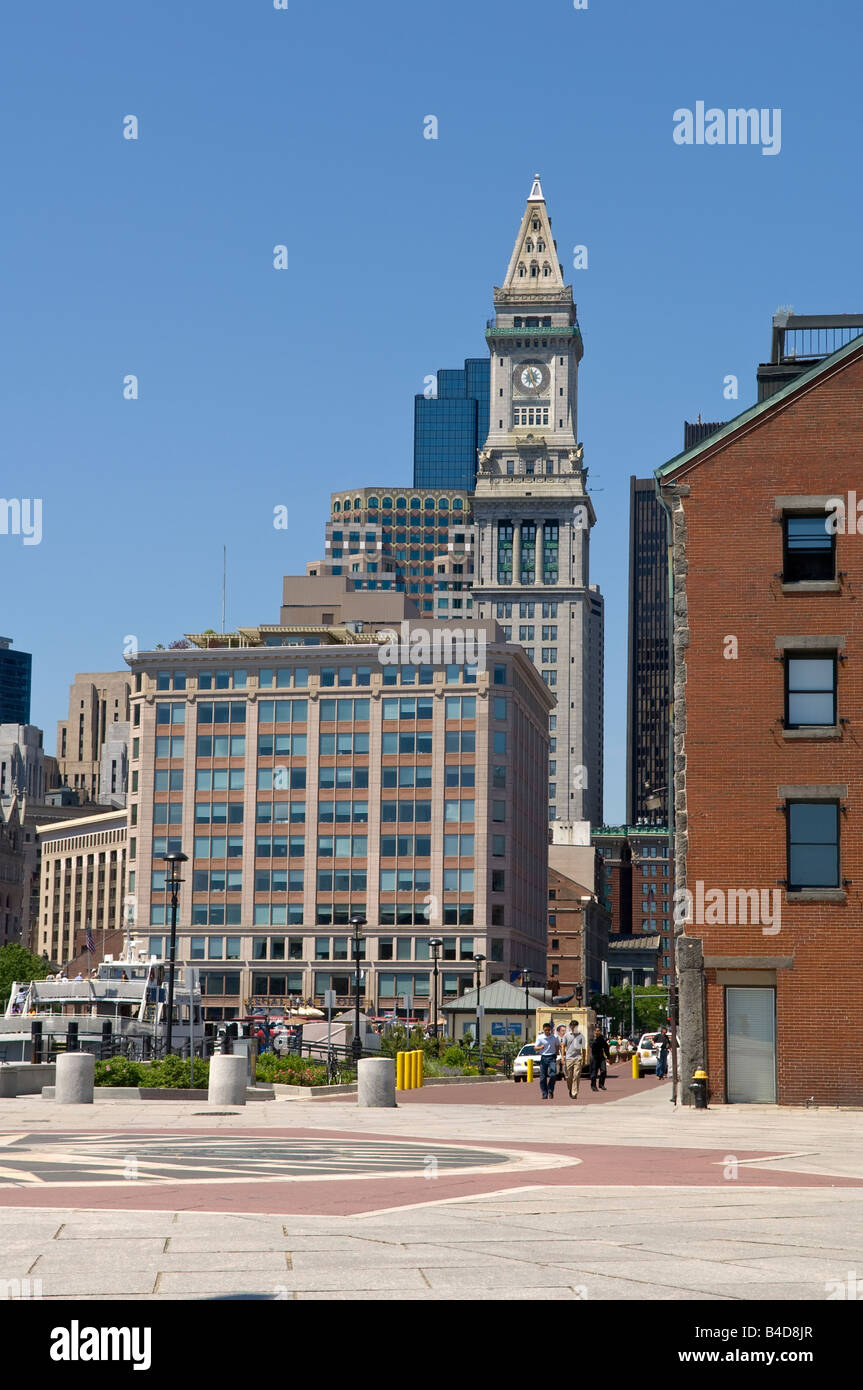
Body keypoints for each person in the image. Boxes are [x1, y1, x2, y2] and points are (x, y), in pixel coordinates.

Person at [563, 1018, 587, 1100]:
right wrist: (563, 1056)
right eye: (572, 1026)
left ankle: (574, 1092)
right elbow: (563, 1046)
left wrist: (583, 1059)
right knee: (568, 1076)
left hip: (578, 1058)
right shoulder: (566, 1035)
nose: (573, 1028)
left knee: (576, 1076)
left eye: (575, 1026)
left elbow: (583, 1049)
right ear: (570, 1027)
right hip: (569, 1058)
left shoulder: (581, 1036)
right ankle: (570, 1089)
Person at [535, 1021, 560, 1100]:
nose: (547, 1031)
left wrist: (556, 1054)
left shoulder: (554, 1037)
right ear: (543, 1030)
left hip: (552, 1057)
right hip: (544, 1057)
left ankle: (550, 1090)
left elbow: (557, 1045)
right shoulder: (540, 1037)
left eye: (548, 1030)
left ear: (551, 1030)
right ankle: (544, 1093)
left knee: (553, 1074)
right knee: (542, 1077)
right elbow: (535, 1048)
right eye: (546, 1030)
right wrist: (540, 1047)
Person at [590, 1026, 611, 1091]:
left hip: (601, 1057)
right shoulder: (591, 1039)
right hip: (594, 1057)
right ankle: (593, 1086)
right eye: (596, 1031)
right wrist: (595, 1039)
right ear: (594, 1032)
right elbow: (592, 1046)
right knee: (594, 1073)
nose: (598, 1032)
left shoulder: (602, 1038)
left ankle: (601, 1084)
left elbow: (606, 1048)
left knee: (603, 1071)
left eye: (599, 1031)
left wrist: (608, 1056)